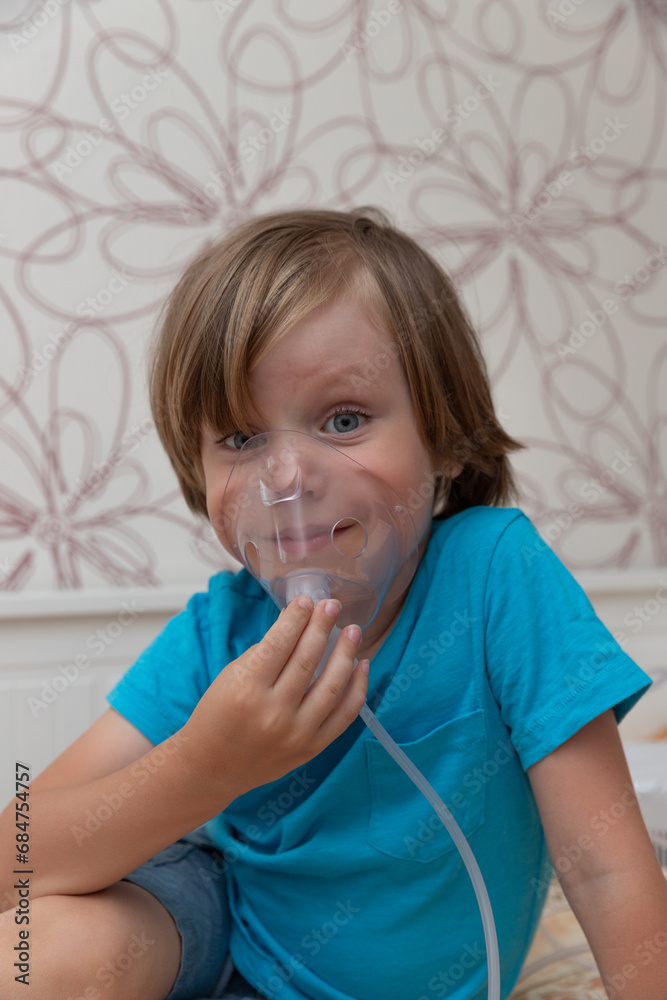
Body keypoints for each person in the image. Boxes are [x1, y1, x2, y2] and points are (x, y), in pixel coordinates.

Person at [1, 207, 665, 1000]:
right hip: (218, 924)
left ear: (447, 439)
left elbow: (602, 868)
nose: (284, 479)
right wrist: (206, 767)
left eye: (343, 419)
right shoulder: (221, 632)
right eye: (241, 439)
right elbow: (16, 856)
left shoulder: (492, 577)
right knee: (32, 955)